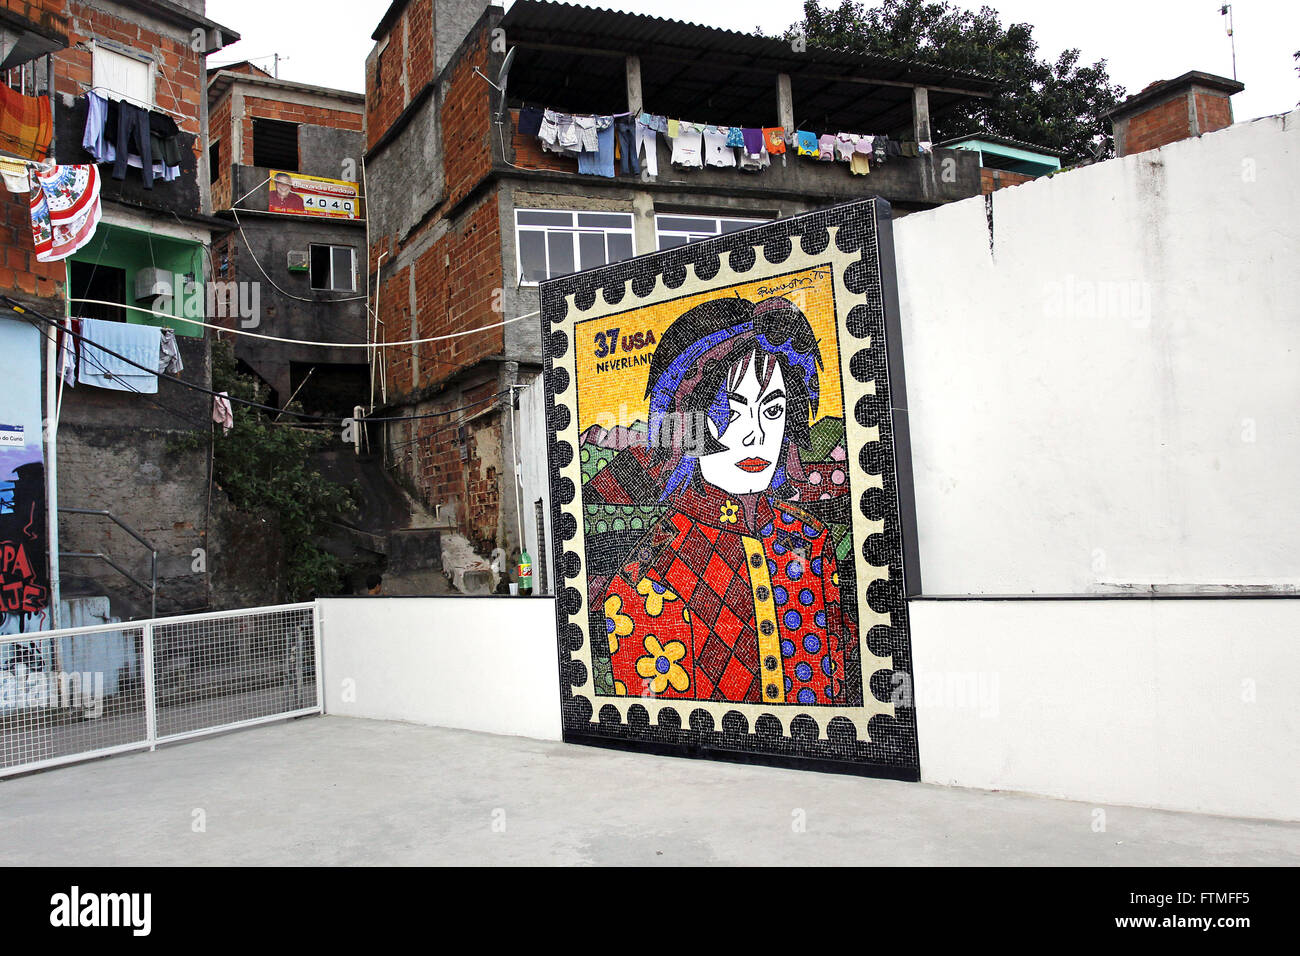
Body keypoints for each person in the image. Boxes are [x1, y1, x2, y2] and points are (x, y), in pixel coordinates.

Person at [599, 295, 855, 705]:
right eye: (731, 413)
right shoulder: (649, 575)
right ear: (689, 425)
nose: (755, 435)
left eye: (772, 411)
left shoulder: (810, 539)